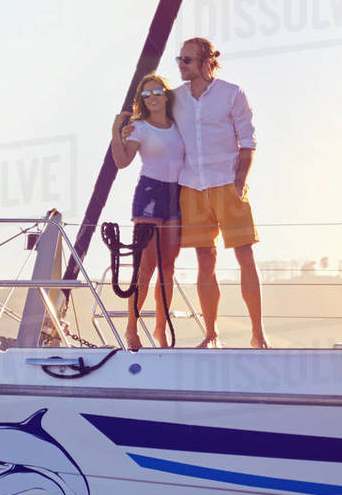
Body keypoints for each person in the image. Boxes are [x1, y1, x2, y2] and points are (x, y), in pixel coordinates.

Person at [172, 37, 269, 349]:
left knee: (245, 255)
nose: (181, 65)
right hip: (191, 187)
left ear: (205, 62)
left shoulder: (231, 93)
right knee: (204, 261)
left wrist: (239, 181)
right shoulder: (175, 98)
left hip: (227, 184)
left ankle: (258, 333)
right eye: (179, 59)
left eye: (186, 60)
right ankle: (211, 334)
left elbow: (248, 140)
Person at [111, 74, 184, 351]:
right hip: (150, 195)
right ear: (142, 100)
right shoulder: (139, 128)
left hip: (177, 195)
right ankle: (131, 327)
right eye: (145, 94)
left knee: (168, 268)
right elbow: (121, 161)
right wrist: (115, 134)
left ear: (166, 95)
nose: (152, 96)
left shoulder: (179, 126)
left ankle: (160, 329)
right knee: (147, 266)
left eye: (157, 91)